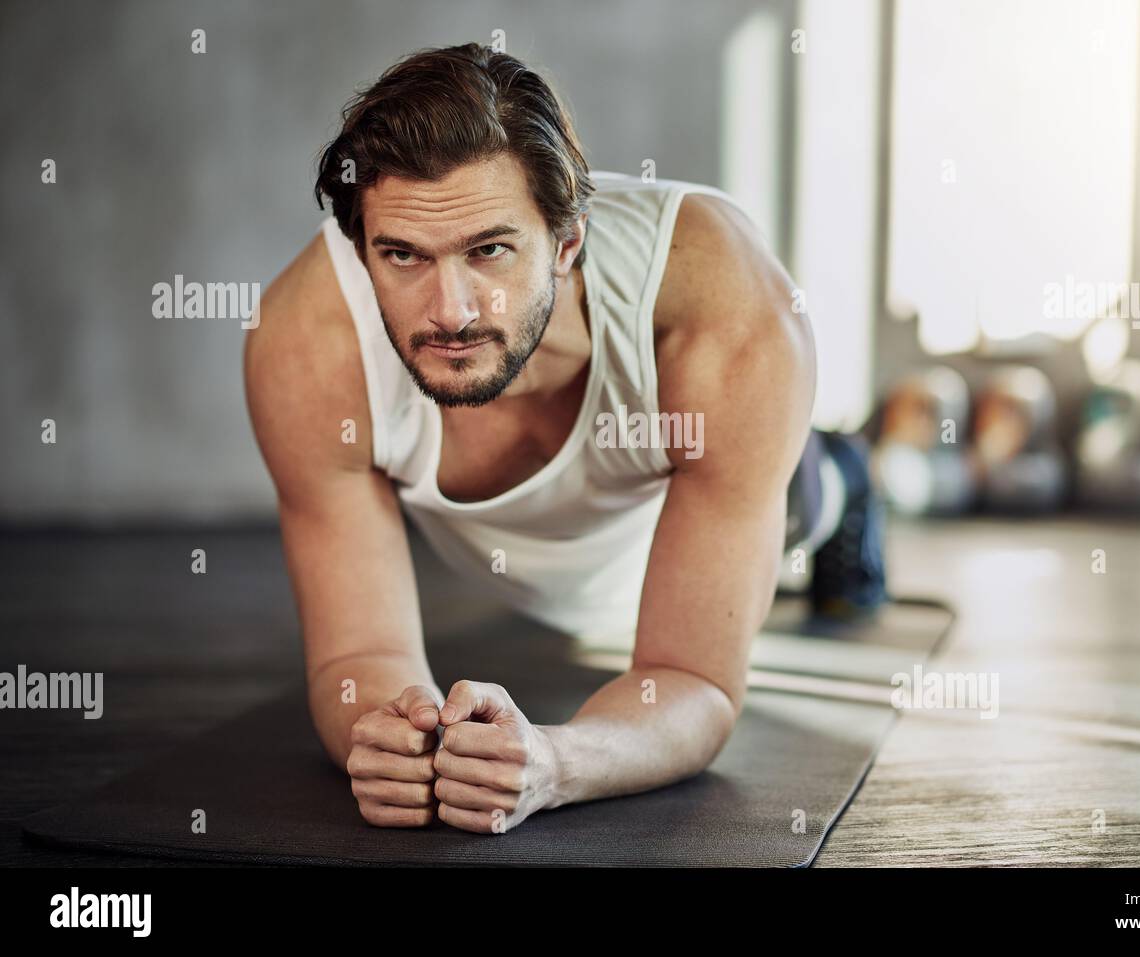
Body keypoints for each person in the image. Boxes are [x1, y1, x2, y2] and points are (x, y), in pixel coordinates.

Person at [244, 42, 885, 834]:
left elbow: (692, 678)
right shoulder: (303, 347)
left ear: (568, 241)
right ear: (362, 244)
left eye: (489, 250)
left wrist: (554, 763)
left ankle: (846, 470)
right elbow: (356, 656)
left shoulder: (726, 313)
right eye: (403, 254)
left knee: (808, 500)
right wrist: (387, 738)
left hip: (685, 519)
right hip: (535, 568)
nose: (449, 310)